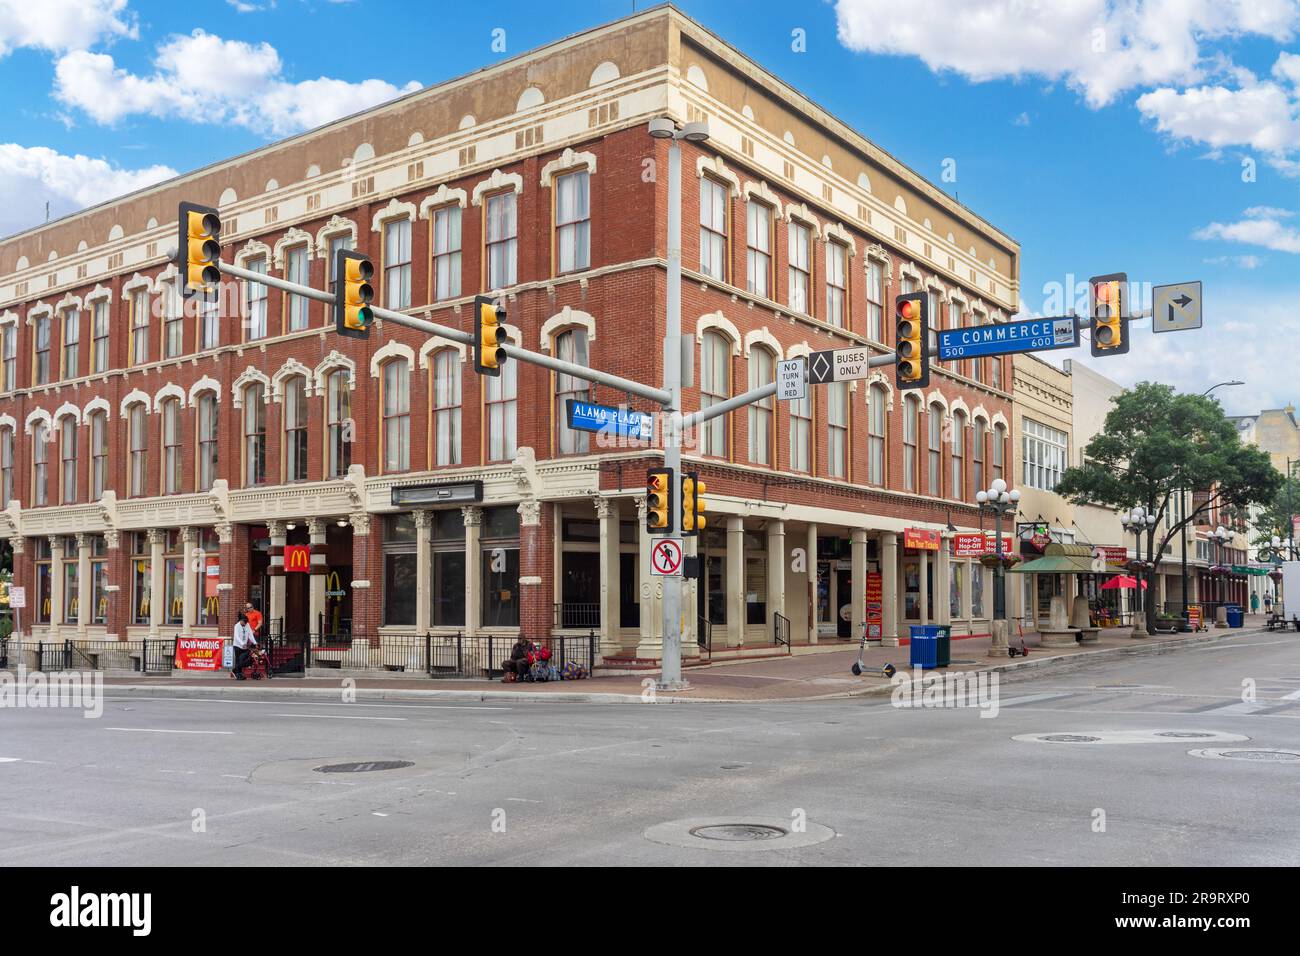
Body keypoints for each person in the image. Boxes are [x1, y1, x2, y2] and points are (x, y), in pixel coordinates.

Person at [232, 612, 257, 680]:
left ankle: (236, 670)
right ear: (240, 620)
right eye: (244, 622)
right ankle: (238, 673)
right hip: (237, 646)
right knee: (238, 660)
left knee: (244, 659)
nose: (245, 623)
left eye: (246, 622)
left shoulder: (247, 625)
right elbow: (236, 636)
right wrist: (242, 643)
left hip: (244, 646)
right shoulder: (236, 626)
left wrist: (255, 642)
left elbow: (250, 635)